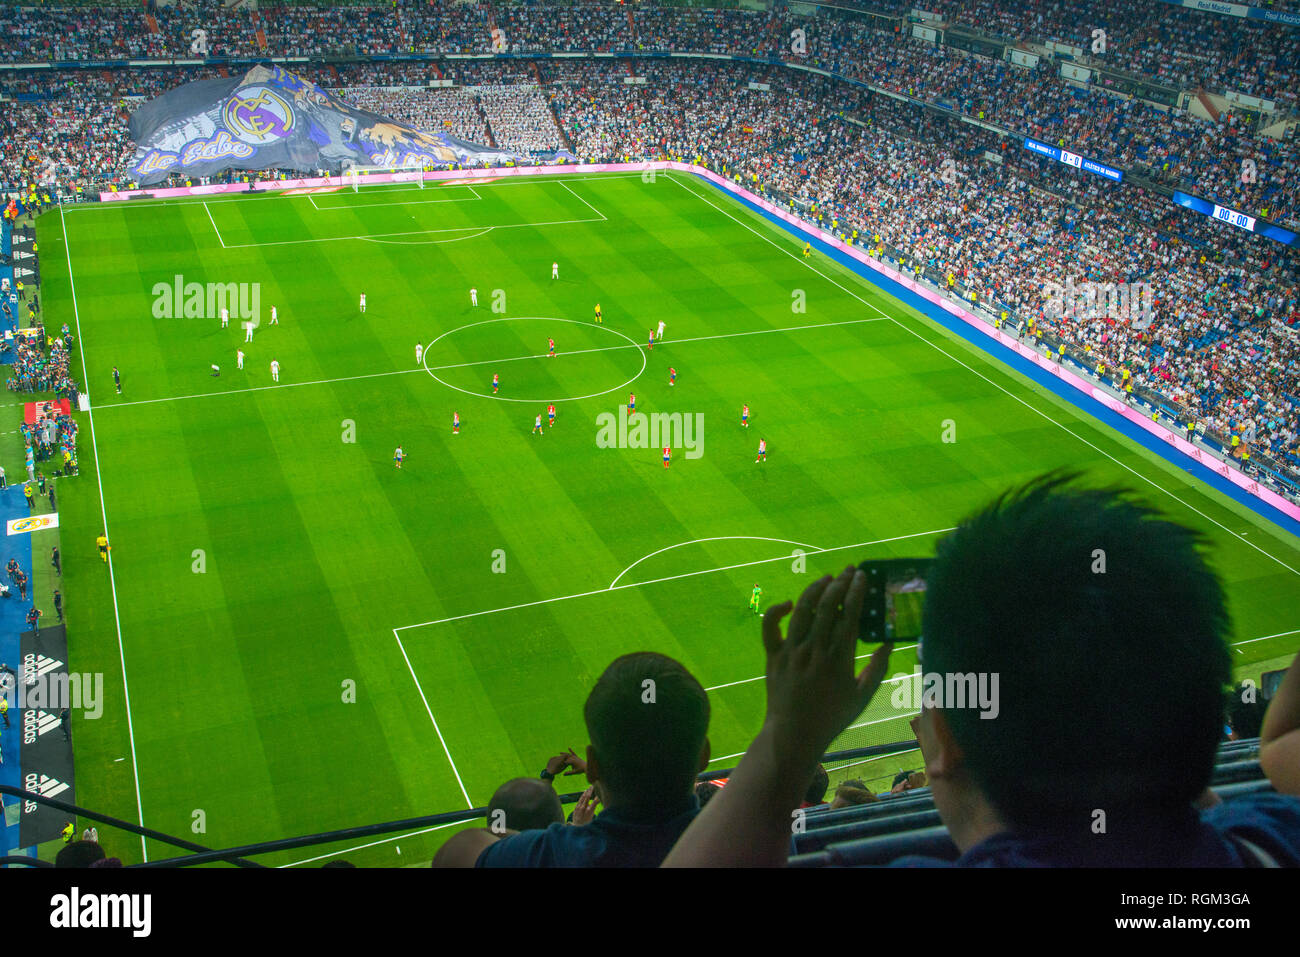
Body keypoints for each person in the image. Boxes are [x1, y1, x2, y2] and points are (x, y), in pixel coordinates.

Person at [663, 474, 1300, 867]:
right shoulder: (1268, 841)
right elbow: (1277, 748)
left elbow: (1277, 744)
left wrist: (787, 740)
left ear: (943, 738)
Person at [435, 653, 709, 867]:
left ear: (592, 765)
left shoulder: (560, 854)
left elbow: (458, 850)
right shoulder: (739, 841)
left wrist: (569, 832)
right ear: (704, 756)